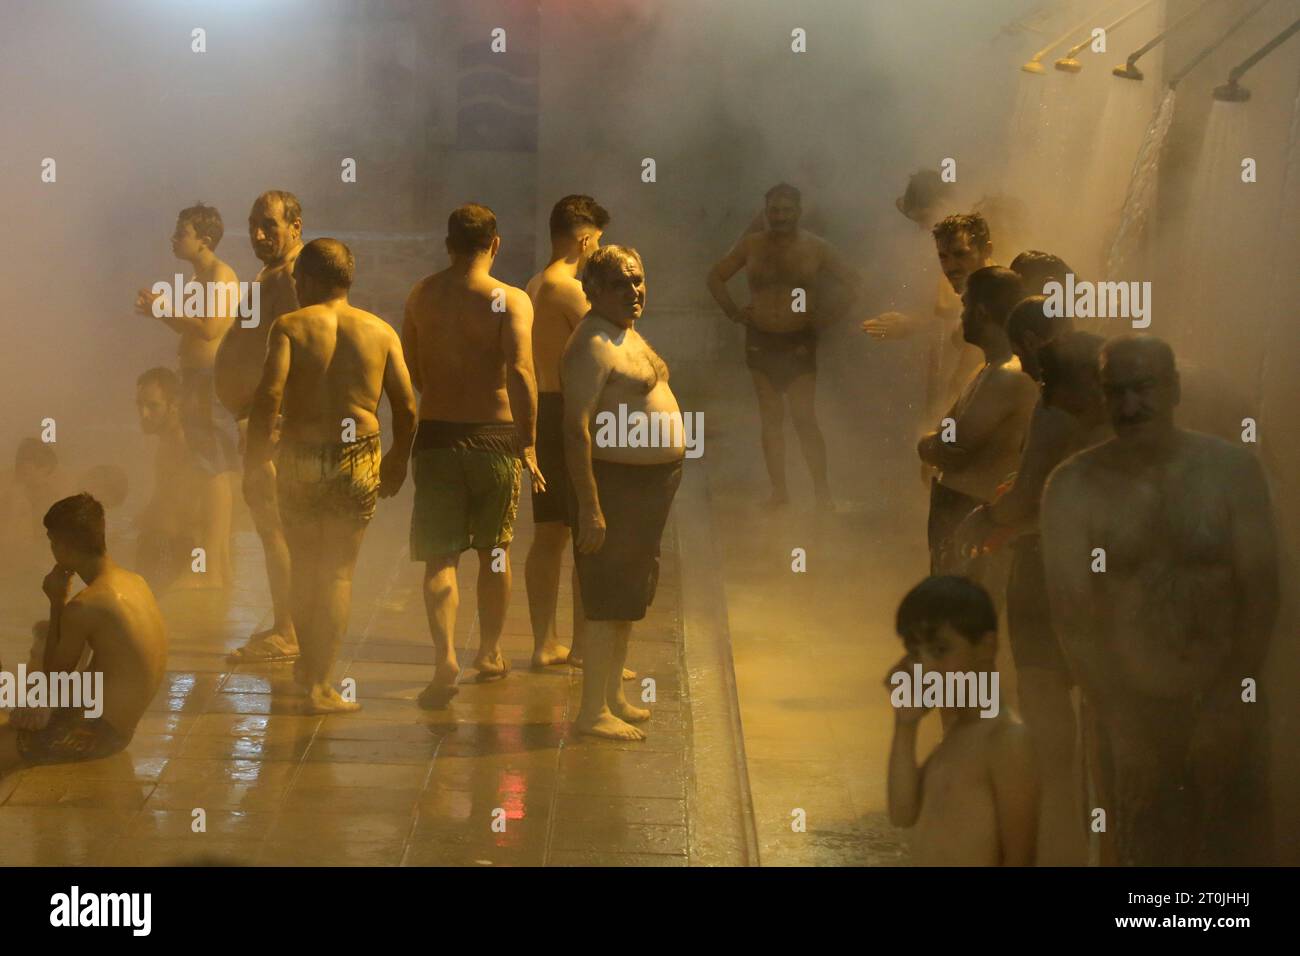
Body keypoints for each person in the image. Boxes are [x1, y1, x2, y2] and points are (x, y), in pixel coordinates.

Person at [1041, 335, 1279, 865]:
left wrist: (1228, 705)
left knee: (1232, 869)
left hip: (1227, 697)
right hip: (1127, 710)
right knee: (1139, 866)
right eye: (1115, 391)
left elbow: (1261, 592)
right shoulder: (1073, 487)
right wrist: (1124, 726)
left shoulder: (1233, 472)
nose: (1130, 406)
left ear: (1174, 389)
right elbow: (1074, 620)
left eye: (1144, 387)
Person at [953, 329, 1110, 864]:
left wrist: (996, 521)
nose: (1041, 388)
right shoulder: (1121, 422)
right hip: (1101, 592)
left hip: (1062, 579)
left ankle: (1060, 833)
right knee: (1097, 729)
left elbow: (1035, 499)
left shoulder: (1060, 412)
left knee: (1055, 711)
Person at [245, 239, 416, 714]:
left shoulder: (291, 327)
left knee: (305, 565)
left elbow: (268, 398)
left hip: (301, 455)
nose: (296, 288)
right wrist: (399, 457)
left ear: (312, 280)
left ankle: (308, 675)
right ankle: (321, 680)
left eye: (300, 280)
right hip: (358, 458)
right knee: (338, 572)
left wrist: (257, 460)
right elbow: (405, 405)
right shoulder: (380, 332)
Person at [401, 203, 543, 708]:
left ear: (448, 244)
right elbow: (523, 372)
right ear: (495, 244)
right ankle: (489, 651)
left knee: (440, 557)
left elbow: (413, 368)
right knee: (496, 549)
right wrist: (528, 440)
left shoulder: (422, 295)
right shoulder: (510, 300)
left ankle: (444, 656)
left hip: (439, 435)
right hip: (494, 435)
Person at [563, 246, 684, 741]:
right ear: (592, 291)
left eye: (638, 281)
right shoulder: (592, 343)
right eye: (620, 284)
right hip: (615, 485)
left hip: (649, 486)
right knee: (606, 595)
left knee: (631, 594)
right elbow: (574, 429)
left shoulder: (625, 332)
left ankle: (613, 695)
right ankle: (592, 711)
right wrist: (590, 507)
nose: (634, 292)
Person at [707, 183, 863, 508]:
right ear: (766, 213)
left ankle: (822, 492)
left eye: (786, 210)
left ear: (798, 212)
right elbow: (715, 277)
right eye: (774, 211)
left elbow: (854, 282)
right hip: (760, 338)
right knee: (771, 419)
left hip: (798, 340)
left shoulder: (816, 248)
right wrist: (733, 311)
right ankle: (780, 493)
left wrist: (826, 319)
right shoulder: (752, 245)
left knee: (804, 417)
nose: (780, 217)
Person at [0, 494, 167, 776]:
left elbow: (52, 678)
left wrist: (56, 601)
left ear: (60, 546)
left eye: (52, 543)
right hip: (114, 724)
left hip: (98, 734)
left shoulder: (86, 605)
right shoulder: (135, 582)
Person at [885, 575, 1038, 865]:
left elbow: (1020, 859)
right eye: (916, 654)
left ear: (986, 647)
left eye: (940, 650)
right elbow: (902, 813)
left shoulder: (1006, 742)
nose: (926, 667)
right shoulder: (955, 737)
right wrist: (905, 724)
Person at [216, 190, 304, 662]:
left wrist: (273, 422)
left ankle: (289, 631)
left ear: (296, 225)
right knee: (271, 527)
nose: (258, 233)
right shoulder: (273, 272)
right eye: (252, 224)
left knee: (276, 527)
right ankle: (284, 623)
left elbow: (295, 352)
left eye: (269, 224)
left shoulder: (291, 277)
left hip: (270, 424)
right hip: (255, 417)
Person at [134, 203, 240, 588]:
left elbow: (210, 330)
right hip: (197, 378)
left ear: (205, 240)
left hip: (210, 380)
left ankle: (213, 569)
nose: (174, 239)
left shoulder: (221, 275)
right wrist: (157, 312)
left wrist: (162, 308)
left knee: (214, 472)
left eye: (182, 233)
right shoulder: (199, 278)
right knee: (206, 468)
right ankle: (220, 567)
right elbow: (191, 329)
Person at [523, 196, 606, 671]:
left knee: (549, 533)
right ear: (585, 238)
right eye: (600, 241)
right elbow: (611, 343)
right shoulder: (569, 290)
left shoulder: (536, 282)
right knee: (585, 534)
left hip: (544, 408)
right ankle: (581, 646)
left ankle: (544, 643)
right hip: (570, 413)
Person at [917, 267, 1037, 573]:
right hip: (956, 505)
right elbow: (945, 438)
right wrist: (934, 445)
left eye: (965, 306)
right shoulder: (986, 370)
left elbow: (955, 452)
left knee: (966, 610)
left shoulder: (1007, 375)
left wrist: (926, 446)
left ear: (981, 312)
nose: (961, 316)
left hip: (974, 508)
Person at [134, 368, 207, 590]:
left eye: (153, 406)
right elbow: (166, 495)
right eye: (139, 405)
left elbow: (196, 510)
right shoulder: (168, 441)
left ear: (174, 405)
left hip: (177, 551)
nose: (143, 414)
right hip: (166, 546)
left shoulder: (183, 444)